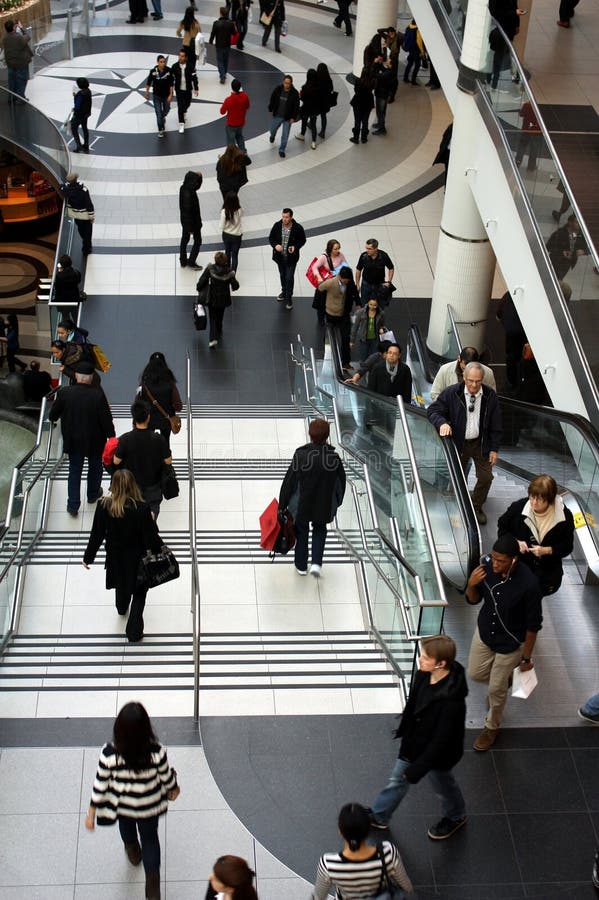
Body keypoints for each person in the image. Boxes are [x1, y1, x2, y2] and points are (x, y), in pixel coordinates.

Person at [370, 635, 467, 839]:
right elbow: (414, 705)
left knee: (443, 785)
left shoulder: (452, 702)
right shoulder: (424, 674)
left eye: (425, 657)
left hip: (437, 756)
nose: (420, 660)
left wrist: (417, 769)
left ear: (440, 664)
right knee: (397, 779)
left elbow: (441, 742)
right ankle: (380, 815)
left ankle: (456, 815)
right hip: (414, 743)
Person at [85, 701, 180, 900]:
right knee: (150, 839)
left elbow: (100, 784)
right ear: (147, 728)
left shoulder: (109, 754)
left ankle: (133, 851)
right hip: (149, 805)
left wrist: (92, 811)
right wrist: (174, 787)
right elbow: (166, 778)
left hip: (123, 806)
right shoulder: (157, 752)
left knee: (126, 828)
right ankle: (152, 885)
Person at [466, 533, 543, 751]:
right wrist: (471, 584)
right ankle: (505, 678)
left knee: (495, 691)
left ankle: (492, 727)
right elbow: (473, 599)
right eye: (493, 558)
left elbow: (533, 626)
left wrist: (526, 658)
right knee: (475, 673)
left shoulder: (528, 584)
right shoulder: (486, 567)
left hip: (510, 643)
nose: (495, 564)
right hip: (485, 634)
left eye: (501, 561)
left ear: (514, 560)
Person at [83, 469, 162, 639]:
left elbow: (96, 534)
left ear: (114, 486)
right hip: (138, 558)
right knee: (140, 592)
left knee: (121, 583)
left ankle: (121, 607)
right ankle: (133, 632)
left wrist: (88, 557)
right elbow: (151, 536)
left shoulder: (104, 506)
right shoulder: (141, 508)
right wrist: (152, 520)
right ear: (133, 485)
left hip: (115, 557)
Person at [427, 361, 502, 525]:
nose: (474, 385)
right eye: (470, 381)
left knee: (486, 477)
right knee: (457, 477)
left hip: (480, 443)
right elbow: (433, 410)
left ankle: (475, 507)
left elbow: (496, 423)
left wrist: (494, 449)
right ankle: (458, 508)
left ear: (482, 379)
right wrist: (442, 423)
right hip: (459, 443)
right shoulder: (452, 393)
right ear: (464, 378)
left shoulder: (490, 396)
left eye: (478, 381)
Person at [279, 418, 345, 577]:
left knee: (301, 531)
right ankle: (316, 563)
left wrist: (282, 504)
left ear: (310, 435)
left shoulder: (301, 455)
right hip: (323, 503)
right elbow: (340, 483)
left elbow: (290, 481)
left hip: (302, 504)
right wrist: (338, 501)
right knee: (320, 530)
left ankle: (301, 566)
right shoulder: (334, 459)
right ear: (327, 436)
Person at [48, 362, 115, 516]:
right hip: (95, 440)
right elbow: (106, 419)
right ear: (91, 378)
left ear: (76, 376)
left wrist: (52, 419)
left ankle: (73, 505)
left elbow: (53, 414)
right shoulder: (98, 395)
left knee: (74, 471)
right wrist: (111, 436)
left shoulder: (65, 393)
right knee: (95, 467)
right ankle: (92, 494)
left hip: (73, 440)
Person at [311, 803, 413, 899]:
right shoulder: (388, 853)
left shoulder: (329, 864)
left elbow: (318, 897)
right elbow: (406, 887)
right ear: (368, 829)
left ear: (340, 832)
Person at [498, 474, 575, 596]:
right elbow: (502, 527)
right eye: (532, 497)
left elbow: (567, 545)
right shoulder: (518, 508)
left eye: (539, 499)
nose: (533, 502)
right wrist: (515, 542)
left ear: (549, 500)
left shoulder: (564, 517)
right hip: (518, 570)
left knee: (533, 604)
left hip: (545, 576)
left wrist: (548, 550)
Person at [113, 399, 173, 518]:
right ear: (148, 417)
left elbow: (116, 461)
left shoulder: (125, 439)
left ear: (134, 419)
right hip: (153, 485)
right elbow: (168, 461)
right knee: (152, 513)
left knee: (131, 512)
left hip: (131, 485)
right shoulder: (158, 439)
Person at [317, 266, 358, 371]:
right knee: (328, 337)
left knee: (345, 338)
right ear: (340, 277)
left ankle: (346, 362)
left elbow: (355, 292)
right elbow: (320, 289)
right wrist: (321, 308)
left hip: (344, 315)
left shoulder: (349, 283)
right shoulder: (331, 283)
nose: (346, 282)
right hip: (331, 314)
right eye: (345, 280)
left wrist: (358, 303)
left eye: (348, 280)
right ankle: (327, 358)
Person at [196, 251, 240, 348]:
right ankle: (219, 330)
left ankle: (212, 339)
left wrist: (199, 288)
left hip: (212, 298)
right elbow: (236, 286)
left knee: (212, 318)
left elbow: (201, 281)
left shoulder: (210, 269)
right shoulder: (229, 272)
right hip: (224, 299)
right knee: (220, 315)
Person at [139, 351, 183, 445]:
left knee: (148, 445)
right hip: (166, 420)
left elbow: (137, 403)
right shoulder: (170, 383)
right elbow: (178, 406)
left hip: (148, 420)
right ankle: (166, 457)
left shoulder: (144, 384)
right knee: (165, 443)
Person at [268, 207, 306, 309]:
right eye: (283, 216)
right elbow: (271, 238)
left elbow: (303, 240)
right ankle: (284, 291)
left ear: (291, 217)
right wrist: (275, 245)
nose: (284, 219)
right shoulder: (277, 226)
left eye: (286, 217)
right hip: (280, 258)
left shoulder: (297, 228)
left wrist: (295, 247)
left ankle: (289, 297)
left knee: (289, 277)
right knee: (282, 275)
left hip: (291, 259)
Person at [430, 346, 496, 401]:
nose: (466, 374)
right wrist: (449, 407)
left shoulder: (488, 373)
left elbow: (492, 397)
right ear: (459, 359)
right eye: (464, 369)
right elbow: (434, 394)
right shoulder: (445, 369)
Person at [311, 238, 348, 326]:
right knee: (322, 303)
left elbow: (346, 265)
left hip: (336, 283)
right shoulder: (324, 257)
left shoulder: (340, 255)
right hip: (326, 283)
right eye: (335, 249)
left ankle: (333, 318)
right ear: (330, 248)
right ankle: (321, 319)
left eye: (338, 248)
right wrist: (318, 277)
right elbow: (314, 267)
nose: (337, 251)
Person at [496, 292, 527, 391]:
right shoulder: (532, 296)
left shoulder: (508, 295)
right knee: (525, 356)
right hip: (524, 332)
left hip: (511, 332)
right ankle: (523, 380)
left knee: (511, 357)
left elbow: (498, 315)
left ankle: (511, 382)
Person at [59, 173, 95, 255]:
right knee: (88, 232)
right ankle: (87, 248)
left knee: (81, 230)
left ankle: (86, 245)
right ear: (76, 179)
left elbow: (61, 187)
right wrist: (91, 216)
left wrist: (66, 184)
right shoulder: (83, 190)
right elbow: (88, 204)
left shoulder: (67, 190)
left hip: (76, 215)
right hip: (85, 215)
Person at [546, 214, 588, 280]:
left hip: (567, 263)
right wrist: (562, 252)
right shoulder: (559, 233)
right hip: (555, 260)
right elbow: (548, 247)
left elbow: (590, 248)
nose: (580, 224)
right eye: (577, 222)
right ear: (570, 222)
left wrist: (584, 251)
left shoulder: (582, 236)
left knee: (558, 279)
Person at [355, 238, 394, 307]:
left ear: (375, 248)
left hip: (379, 285)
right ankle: (365, 317)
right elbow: (358, 270)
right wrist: (357, 284)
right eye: (366, 248)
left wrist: (389, 282)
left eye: (369, 249)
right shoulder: (363, 256)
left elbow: (391, 268)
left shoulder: (383, 256)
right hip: (366, 284)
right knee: (364, 303)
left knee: (379, 305)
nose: (367, 250)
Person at [268, 74, 300, 158]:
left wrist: (293, 117)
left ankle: (282, 150)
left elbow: (296, 106)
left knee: (285, 135)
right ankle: (272, 135)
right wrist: (271, 108)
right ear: (283, 82)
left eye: (288, 83)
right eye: (285, 83)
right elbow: (272, 98)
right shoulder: (278, 89)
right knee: (272, 129)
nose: (286, 85)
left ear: (291, 83)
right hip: (278, 115)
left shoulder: (294, 93)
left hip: (288, 118)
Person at [3, 20, 33, 101]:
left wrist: (15, 29)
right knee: (22, 80)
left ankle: (12, 98)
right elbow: (27, 36)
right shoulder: (18, 37)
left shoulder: (5, 38)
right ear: (14, 27)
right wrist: (21, 28)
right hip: (21, 64)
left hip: (10, 63)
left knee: (12, 81)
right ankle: (21, 99)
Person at [178, 171, 203, 270]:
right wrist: (190, 228)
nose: (196, 182)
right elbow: (189, 212)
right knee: (198, 241)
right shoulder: (190, 193)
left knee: (184, 239)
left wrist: (200, 178)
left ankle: (183, 260)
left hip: (185, 222)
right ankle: (191, 262)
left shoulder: (184, 188)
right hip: (193, 223)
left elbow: (197, 186)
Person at [145, 55, 174, 138]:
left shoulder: (169, 71)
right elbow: (148, 82)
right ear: (157, 62)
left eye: (164, 62)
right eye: (161, 62)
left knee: (166, 109)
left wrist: (171, 94)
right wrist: (147, 92)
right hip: (156, 96)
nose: (163, 63)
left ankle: (163, 117)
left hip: (166, 96)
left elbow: (171, 84)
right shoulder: (153, 71)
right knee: (158, 113)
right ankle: (160, 129)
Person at [171, 48, 198, 133]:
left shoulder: (190, 66)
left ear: (185, 57)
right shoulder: (174, 66)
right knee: (180, 106)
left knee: (187, 103)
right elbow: (171, 78)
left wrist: (196, 88)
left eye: (182, 56)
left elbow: (194, 78)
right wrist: (171, 89)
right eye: (179, 56)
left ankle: (184, 110)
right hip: (179, 90)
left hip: (188, 89)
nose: (180, 58)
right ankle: (181, 123)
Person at [220, 78, 250, 150]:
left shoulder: (228, 100)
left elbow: (222, 112)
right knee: (239, 136)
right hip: (241, 123)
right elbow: (247, 106)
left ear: (232, 87)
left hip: (231, 124)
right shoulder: (245, 97)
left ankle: (232, 155)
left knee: (231, 141)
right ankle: (243, 152)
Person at [209, 6, 237, 84]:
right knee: (226, 60)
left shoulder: (216, 23)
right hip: (227, 45)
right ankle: (224, 73)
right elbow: (234, 33)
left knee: (220, 60)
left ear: (221, 13)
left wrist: (210, 41)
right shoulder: (230, 23)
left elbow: (213, 34)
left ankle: (222, 76)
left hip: (219, 45)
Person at [349, 67, 375, 144]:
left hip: (358, 102)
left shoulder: (358, 81)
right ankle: (364, 138)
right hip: (368, 103)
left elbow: (356, 90)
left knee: (357, 120)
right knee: (365, 120)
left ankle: (356, 138)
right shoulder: (372, 81)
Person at [296, 68, 320, 150]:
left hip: (305, 108)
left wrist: (301, 96)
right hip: (314, 109)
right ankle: (313, 142)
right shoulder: (318, 88)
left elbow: (302, 98)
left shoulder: (304, 87)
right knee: (313, 125)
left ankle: (302, 135)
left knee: (304, 122)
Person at [220, 191, 243, 273]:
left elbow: (221, 226)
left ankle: (227, 272)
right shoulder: (239, 210)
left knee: (227, 254)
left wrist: (227, 226)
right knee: (235, 256)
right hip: (237, 236)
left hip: (226, 235)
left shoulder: (224, 212)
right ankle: (233, 276)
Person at [515, 98, 541, 172]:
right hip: (537, 132)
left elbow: (521, 114)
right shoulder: (540, 106)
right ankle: (531, 167)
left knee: (521, 148)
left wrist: (520, 111)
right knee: (534, 150)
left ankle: (517, 163)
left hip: (526, 130)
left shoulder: (527, 105)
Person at [372, 55, 394, 136]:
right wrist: (379, 63)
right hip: (383, 94)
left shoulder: (387, 74)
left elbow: (374, 74)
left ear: (390, 65)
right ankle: (380, 124)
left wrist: (374, 63)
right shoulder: (389, 70)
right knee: (381, 111)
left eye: (388, 61)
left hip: (382, 95)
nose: (387, 61)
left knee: (380, 112)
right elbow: (382, 69)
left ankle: (382, 129)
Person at [71, 77, 92, 153]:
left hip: (79, 115)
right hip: (86, 114)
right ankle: (86, 144)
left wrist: (75, 97)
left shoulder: (80, 94)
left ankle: (78, 146)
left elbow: (77, 106)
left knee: (74, 129)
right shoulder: (88, 91)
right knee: (84, 128)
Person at [315, 63, 334, 139]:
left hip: (318, 101)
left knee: (314, 113)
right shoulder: (328, 79)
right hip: (325, 101)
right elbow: (331, 89)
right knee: (323, 116)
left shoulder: (316, 78)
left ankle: (310, 124)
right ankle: (323, 131)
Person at [402, 19, 423, 85]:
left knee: (410, 63)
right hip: (416, 50)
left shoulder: (408, 28)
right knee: (417, 65)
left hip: (410, 49)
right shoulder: (417, 30)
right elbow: (419, 42)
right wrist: (422, 51)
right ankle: (413, 81)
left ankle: (405, 78)